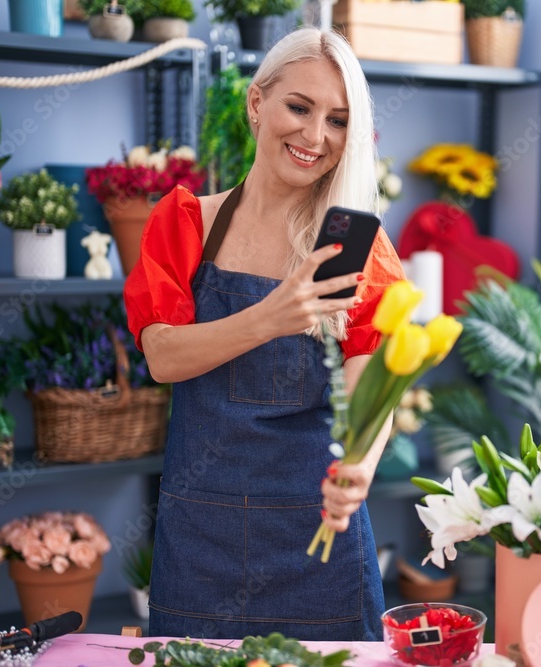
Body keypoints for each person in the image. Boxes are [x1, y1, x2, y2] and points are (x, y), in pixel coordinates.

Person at [123, 27, 405, 641]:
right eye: (299, 107)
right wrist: (271, 316)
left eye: (338, 120)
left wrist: (360, 465)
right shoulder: (188, 222)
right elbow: (162, 355)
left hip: (320, 540)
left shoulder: (352, 243)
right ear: (257, 102)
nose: (315, 136)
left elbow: (373, 380)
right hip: (201, 543)